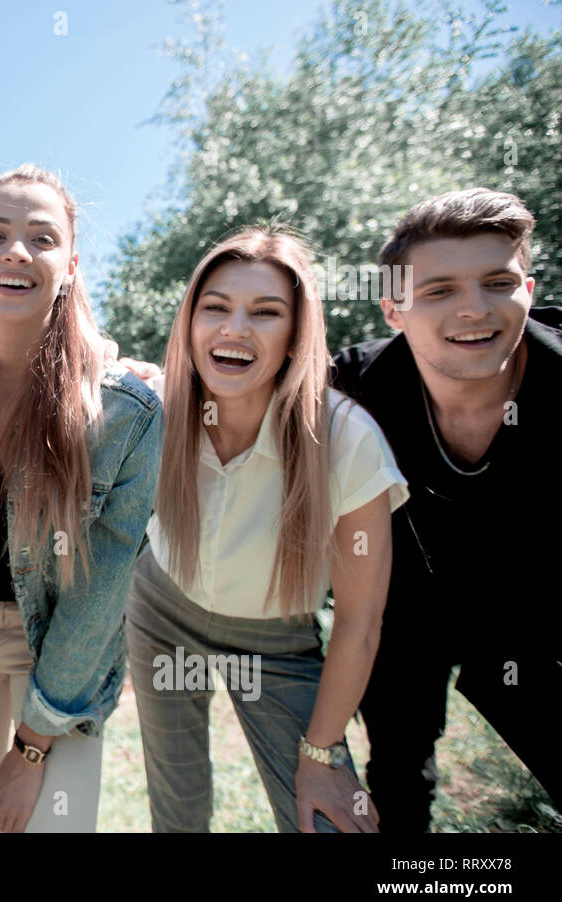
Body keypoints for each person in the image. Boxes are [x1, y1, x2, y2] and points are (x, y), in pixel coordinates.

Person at [125, 228, 407, 833]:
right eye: (216, 308)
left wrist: (320, 753)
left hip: (277, 641)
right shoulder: (155, 411)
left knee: (327, 822)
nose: (235, 329)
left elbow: (359, 621)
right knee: (178, 809)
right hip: (160, 609)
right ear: (191, 323)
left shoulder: (348, 439)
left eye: (265, 313)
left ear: (295, 336)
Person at [0, 164, 163, 833]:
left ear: (72, 264)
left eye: (42, 238)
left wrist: (32, 745)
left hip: (63, 645)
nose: (17, 252)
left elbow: (101, 592)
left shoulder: (125, 412)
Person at [331, 188, 561, 830]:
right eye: (438, 291)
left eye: (498, 282)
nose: (474, 309)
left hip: (534, 616)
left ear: (529, 289)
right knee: (398, 778)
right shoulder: (348, 388)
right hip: (404, 611)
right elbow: (243, 397)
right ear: (394, 310)